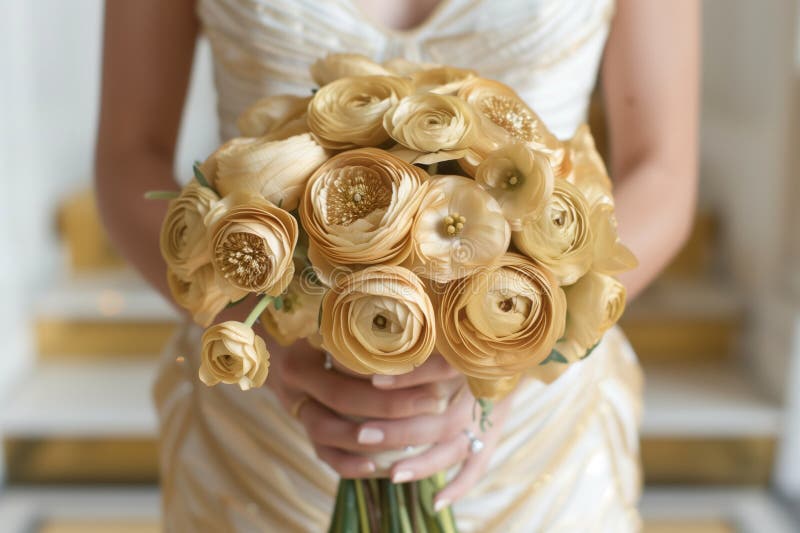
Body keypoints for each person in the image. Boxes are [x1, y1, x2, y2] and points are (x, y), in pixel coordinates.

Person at [95, 0, 698, 530]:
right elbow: (129, 158)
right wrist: (254, 341)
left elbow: (662, 170)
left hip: (537, 445)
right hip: (265, 443)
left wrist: (517, 352)